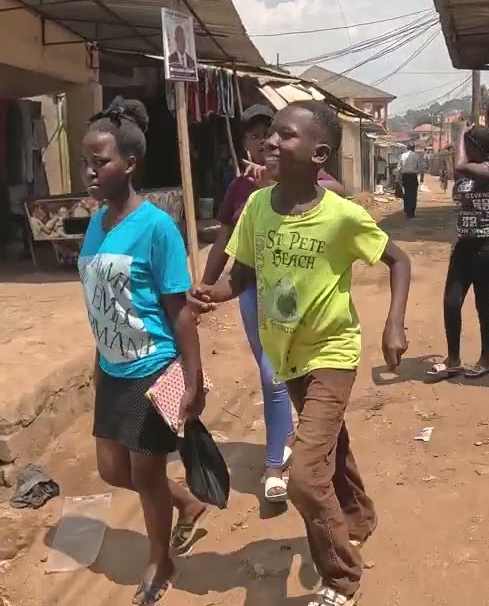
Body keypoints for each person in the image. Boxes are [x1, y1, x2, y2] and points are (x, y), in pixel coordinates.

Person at [190, 100, 411, 606]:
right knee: (331, 444)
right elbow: (241, 277)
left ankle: (341, 579)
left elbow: (397, 259)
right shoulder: (257, 209)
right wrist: (212, 295)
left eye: (285, 136)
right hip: (286, 355)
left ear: (319, 153)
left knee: (306, 479)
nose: (270, 142)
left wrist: (394, 324)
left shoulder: (341, 217)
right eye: (270, 135)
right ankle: (358, 516)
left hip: (332, 353)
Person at [77, 97, 209, 605]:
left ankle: (160, 561)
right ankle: (187, 504)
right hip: (112, 367)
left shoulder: (157, 227)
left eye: (99, 162)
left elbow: (179, 310)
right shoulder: (97, 224)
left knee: (145, 473)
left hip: (152, 367)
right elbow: (102, 299)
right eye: (86, 162)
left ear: (129, 164)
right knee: (113, 470)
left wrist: (192, 382)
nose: (90, 173)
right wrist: (97, 360)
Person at [201, 104, 343, 504]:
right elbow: (224, 240)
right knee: (272, 375)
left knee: (297, 376)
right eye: (258, 135)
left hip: (300, 295)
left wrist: (276, 184)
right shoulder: (242, 189)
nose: (267, 141)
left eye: (275, 131)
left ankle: (310, 448)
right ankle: (275, 463)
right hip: (253, 293)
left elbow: (337, 192)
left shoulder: (302, 177)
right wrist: (206, 287)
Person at [428, 126, 489, 380]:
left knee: (484, 305)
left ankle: (487, 358)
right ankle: (453, 359)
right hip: (465, 244)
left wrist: (461, 137)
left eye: (467, 144)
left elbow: (460, 166)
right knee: (451, 301)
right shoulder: (466, 174)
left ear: (476, 147)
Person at [398, 144, 421, 217]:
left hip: (405, 176)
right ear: (414, 148)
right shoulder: (416, 156)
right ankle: (412, 212)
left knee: (406, 193)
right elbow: (418, 168)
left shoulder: (402, 156)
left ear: (407, 148)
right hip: (413, 176)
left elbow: (399, 167)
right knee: (413, 194)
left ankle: (407, 210)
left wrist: (399, 176)